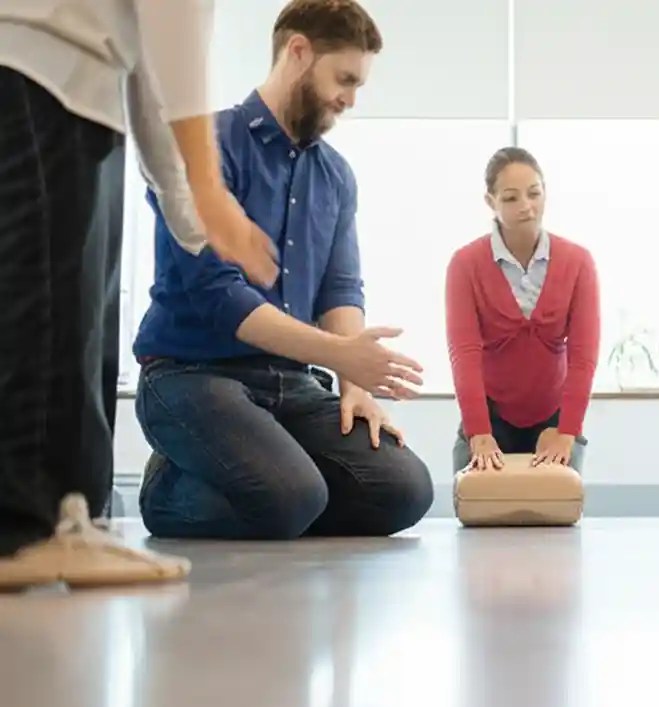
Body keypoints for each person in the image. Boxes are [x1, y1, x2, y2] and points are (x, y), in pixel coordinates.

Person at [133, 0, 434, 540]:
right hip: (192, 375)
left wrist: (353, 384)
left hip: (291, 383)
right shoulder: (208, 149)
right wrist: (339, 354)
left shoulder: (336, 176)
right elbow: (220, 298)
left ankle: (275, 488)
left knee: (403, 491)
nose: (350, 99)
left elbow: (340, 289)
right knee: (290, 497)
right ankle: (168, 492)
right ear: (298, 52)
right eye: (345, 79)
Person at [0, 1, 277, 577]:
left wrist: (187, 210)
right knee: (41, 311)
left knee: (75, 323)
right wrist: (205, 188)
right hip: (32, 67)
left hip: (78, 87)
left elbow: (152, 73)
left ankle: (65, 521)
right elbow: (174, 24)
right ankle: (20, 530)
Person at [446, 147, 601, 474]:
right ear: (491, 201)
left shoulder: (578, 261)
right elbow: (464, 354)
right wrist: (479, 432)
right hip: (489, 415)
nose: (526, 206)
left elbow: (583, 356)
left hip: (555, 415)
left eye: (534, 193)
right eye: (511, 198)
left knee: (560, 493)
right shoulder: (465, 264)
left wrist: (567, 431)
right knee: (474, 492)